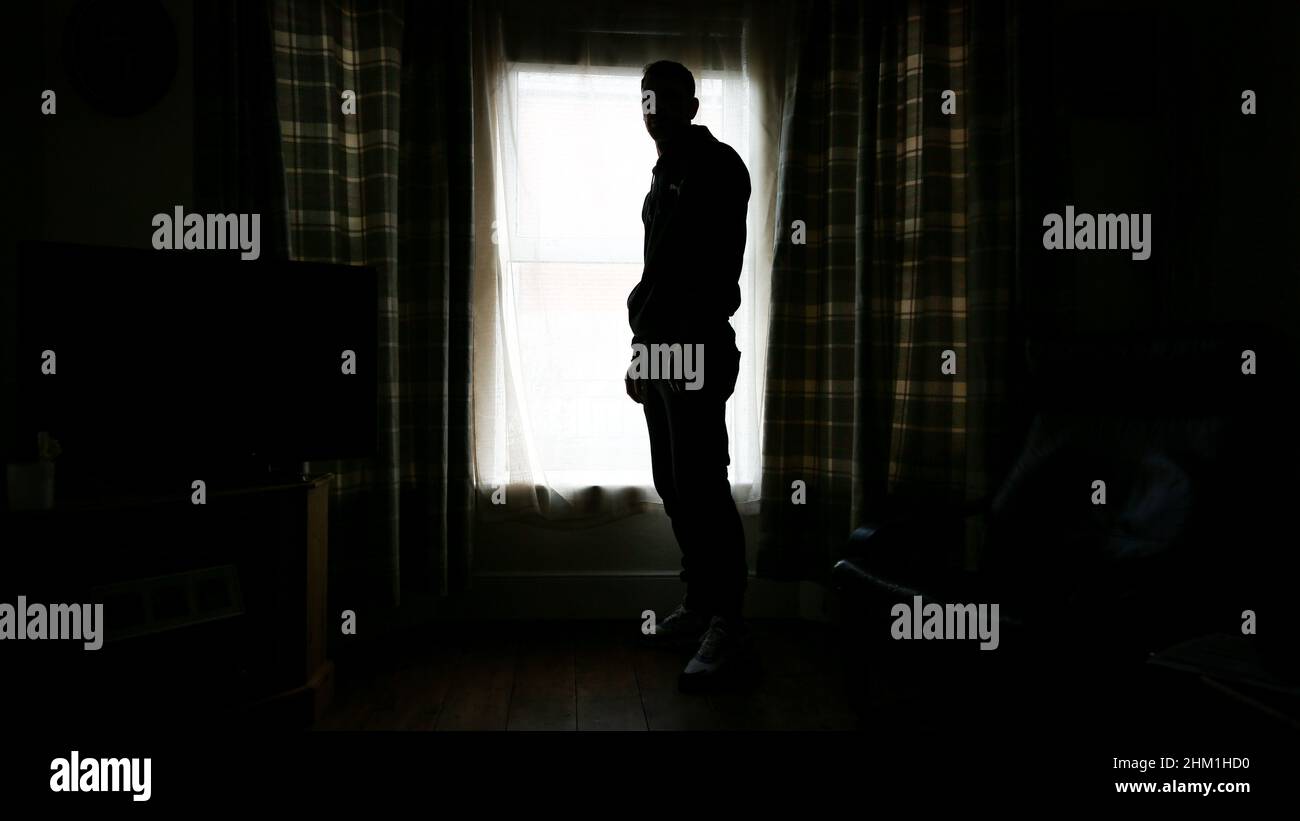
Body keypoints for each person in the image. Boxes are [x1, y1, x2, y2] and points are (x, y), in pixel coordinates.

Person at [623, 60, 753, 691]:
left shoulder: (715, 165)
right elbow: (656, 273)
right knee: (673, 482)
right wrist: (641, 349)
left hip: (696, 344)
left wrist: (649, 338)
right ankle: (702, 605)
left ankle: (728, 622)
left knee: (701, 483)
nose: (660, 109)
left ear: (693, 107)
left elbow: (688, 272)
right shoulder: (663, 173)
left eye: (673, 99)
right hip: (661, 345)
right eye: (651, 99)